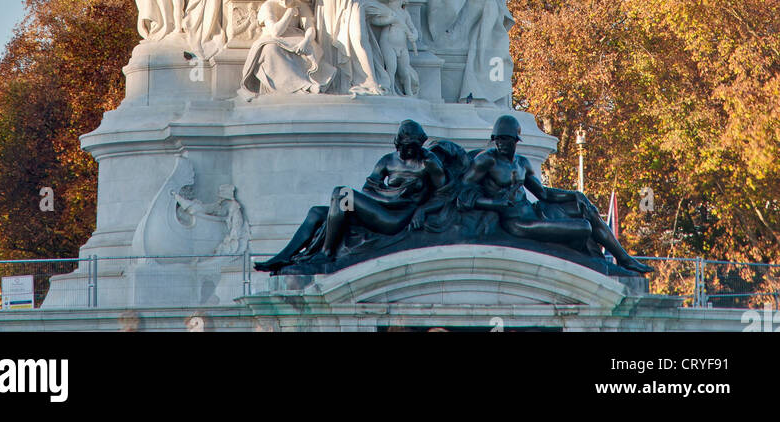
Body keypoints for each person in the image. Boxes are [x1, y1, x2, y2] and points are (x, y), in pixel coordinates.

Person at [459, 115, 649, 273]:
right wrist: (496, 203)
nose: (500, 144)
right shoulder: (486, 161)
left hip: (533, 212)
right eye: (497, 139)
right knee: (583, 227)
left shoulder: (522, 163)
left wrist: (574, 195)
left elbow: (543, 194)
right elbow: (462, 195)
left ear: (516, 140)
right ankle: (593, 264)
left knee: (587, 210)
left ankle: (625, 259)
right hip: (517, 223)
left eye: (505, 139)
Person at [256, 120, 445, 272]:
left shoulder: (428, 163)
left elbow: (444, 194)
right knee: (317, 212)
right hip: (381, 208)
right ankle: (284, 255)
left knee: (342, 194)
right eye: (406, 146)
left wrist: (422, 210)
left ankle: (327, 253)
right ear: (398, 143)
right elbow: (368, 190)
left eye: (414, 146)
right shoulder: (388, 161)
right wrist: (390, 197)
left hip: (397, 218)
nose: (410, 151)